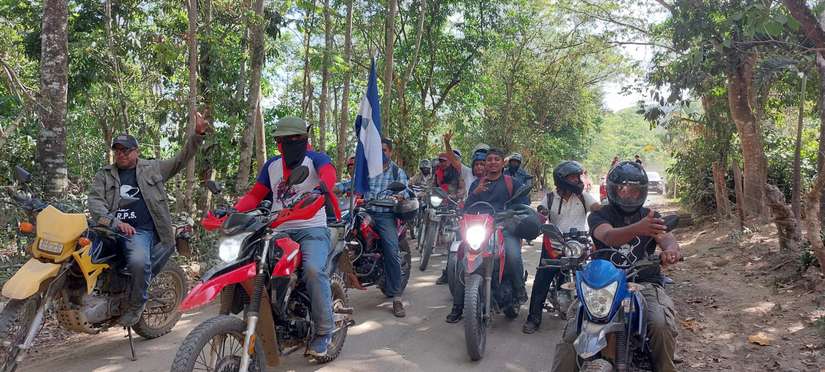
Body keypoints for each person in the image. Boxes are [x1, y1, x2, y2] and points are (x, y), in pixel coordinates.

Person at [551, 161, 681, 372]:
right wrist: (639, 228)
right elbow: (608, 236)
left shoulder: (650, 216)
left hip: (643, 282)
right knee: (572, 334)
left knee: (660, 324)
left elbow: (666, 237)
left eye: (635, 189)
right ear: (612, 189)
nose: (628, 194)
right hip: (602, 284)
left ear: (643, 191)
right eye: (623, 188)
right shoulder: (600, 214)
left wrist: (671, 250)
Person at [231, 116, 340, 357]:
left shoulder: (316, 159)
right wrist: (233, 210)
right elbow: (255, 195)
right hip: (278, 229)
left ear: (305, 139)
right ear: (278, 142)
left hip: (312, 228)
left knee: (313, 270)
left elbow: (328, 174)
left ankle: (324, 331)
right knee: (254, 266)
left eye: (296, 139)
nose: (290, 144)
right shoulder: (271, 166)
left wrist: (323, 187)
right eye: (284, 140)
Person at [88, 112, 208, 327]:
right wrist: (114, 222)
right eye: (117, 150)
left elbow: (181, 159)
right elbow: (96, 203)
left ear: (136, 151)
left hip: (139, 231)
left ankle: (136, 305)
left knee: (138, 262)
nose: (121, 154)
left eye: (125, 150)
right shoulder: (104, 175)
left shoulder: (152, 168)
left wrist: (197, 135)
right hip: (110, 229)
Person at [445, 148, 529, 323]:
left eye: (496, 159)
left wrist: (515, 214)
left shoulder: (510, 182)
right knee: (463, 263)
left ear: (502, 163)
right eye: (489, 159)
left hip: (503, 228)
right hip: (480, 229)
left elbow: (523, 204)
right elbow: (467, 208)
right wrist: (475, 193)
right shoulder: (477, 184)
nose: (492, 162)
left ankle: (519, 290)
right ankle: (458, 307)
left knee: (513, 255)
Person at [523, 161, 600, 334]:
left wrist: (608, 211)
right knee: (542, 278)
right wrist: (536, 220)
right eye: (573, 177)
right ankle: (533, 318)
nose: (577, 180)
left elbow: (597, 209)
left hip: (578, 244)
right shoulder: (550, 197)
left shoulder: (583, 196)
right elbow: (540, 214)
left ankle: (593, 317)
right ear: (562, 179)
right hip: (554, 243)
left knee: (588, 278)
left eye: (578, 177)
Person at [364, 138, 410, 317]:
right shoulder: (367, 170)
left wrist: (398, 197)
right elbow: (351, 185)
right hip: (364, 211)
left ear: (390, 152)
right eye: (377, 150)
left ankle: (397, 298)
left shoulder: (396, 171)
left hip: (384, 215)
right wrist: (333, 188)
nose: (380, 153)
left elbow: (405, 190)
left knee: (391, 251)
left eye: (384, 150)